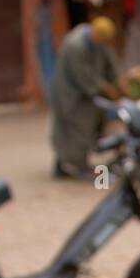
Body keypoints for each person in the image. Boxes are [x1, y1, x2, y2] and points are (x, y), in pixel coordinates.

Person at [50, 16, 121, 179]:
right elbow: (83, 76)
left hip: (83, 94)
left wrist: (117, 79)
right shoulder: (76, 46)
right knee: (76, 129)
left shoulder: (97, 43)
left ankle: (64, 164)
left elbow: (109, 62)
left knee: (77, 130)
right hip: (70, 93)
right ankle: (78, 166)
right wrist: (106, 88)